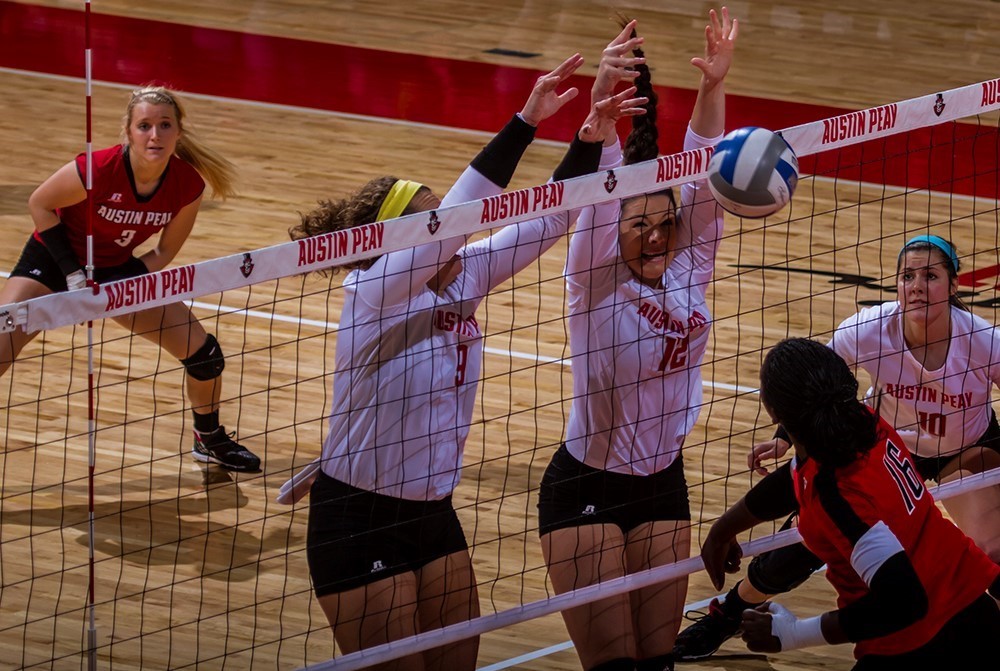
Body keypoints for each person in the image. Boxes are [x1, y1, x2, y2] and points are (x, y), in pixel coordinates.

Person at [291, 52, 646, 670]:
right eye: (431, 222)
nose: (454, 231)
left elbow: (550, 219)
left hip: (434, 513)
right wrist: (524, 121)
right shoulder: (373, 293)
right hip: (359, 518)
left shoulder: (462, 277)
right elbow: (459, 217)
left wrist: (590, 138)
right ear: (399, 241)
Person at [674, 234, 1000, 660]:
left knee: (991, 553)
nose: (918, 285)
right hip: (882, 441)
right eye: (908, 276)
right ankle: (730, 612)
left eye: (931, 276)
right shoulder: (868, 328)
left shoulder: (983, 340)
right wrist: (784, 438)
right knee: (798, 548)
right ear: (897, 285)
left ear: (954, 286)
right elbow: (815, 384)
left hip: (965, 445)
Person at [537, 9, 736, 671]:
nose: (654, 237)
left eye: (664, 224)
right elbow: (598, 197)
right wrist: (603, 121)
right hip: (587, 487)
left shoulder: (688, 263)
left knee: (658, 664)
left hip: (664, 485)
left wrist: (712, 88)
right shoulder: (594, 279)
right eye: (637, 225)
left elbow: (703, 174)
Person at [1, 85, 260, 472]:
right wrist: (73, 275)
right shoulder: (97, 168)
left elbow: (163, 253)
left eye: (164, 125)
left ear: (178, 131)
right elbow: (39, 203)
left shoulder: (188, 185)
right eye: (144, 126)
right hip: (54, 262)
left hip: (117, 270)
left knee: (204, 356)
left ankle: (209, 439)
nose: (154, 135)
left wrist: (121, 287)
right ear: (128, 131)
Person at [700, 337, 1000, 669]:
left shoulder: (837, 498)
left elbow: (903, 602)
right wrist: (723, 528)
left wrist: (793, 634)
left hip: (916, 639)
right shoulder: (859, 421)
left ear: (774, 413)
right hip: (971, 604)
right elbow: (797, 474)